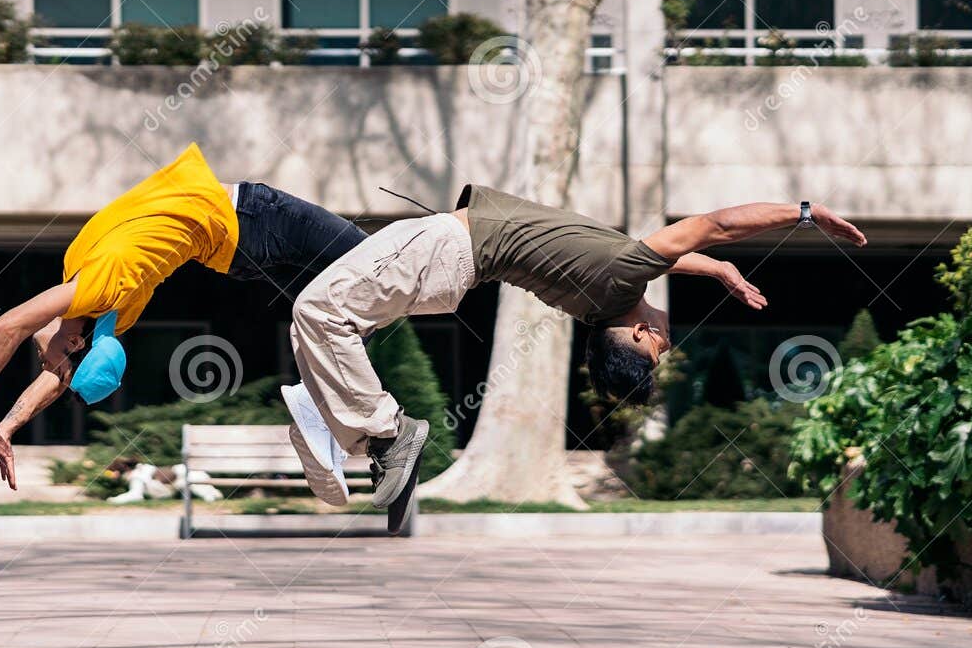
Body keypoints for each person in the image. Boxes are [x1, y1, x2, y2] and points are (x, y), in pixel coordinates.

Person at [282, 187, 867, 521]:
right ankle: (329, 421)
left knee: (317, 312)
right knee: (328, 322)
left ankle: (383, 434)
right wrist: (716, 268)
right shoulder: (606, 295)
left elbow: (715, 223)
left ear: (639, 335)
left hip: (443, 248)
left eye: (662, 343)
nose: (669, 332)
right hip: (446, 267)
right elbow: (687, 250)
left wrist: (806, 214)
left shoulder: (618, 280)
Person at [0, 142, 367, 488]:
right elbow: (6, 328)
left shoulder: (95, 297)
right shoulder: (102, 290)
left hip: (240, 249)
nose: (45, 367)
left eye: (48, 367)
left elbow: (35, 351)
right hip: (254, 219)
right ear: (75, 343)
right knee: (376, 263)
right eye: (52, 365)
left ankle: (318, 409)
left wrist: (7, 427)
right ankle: (318, 410)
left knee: (341, 303)